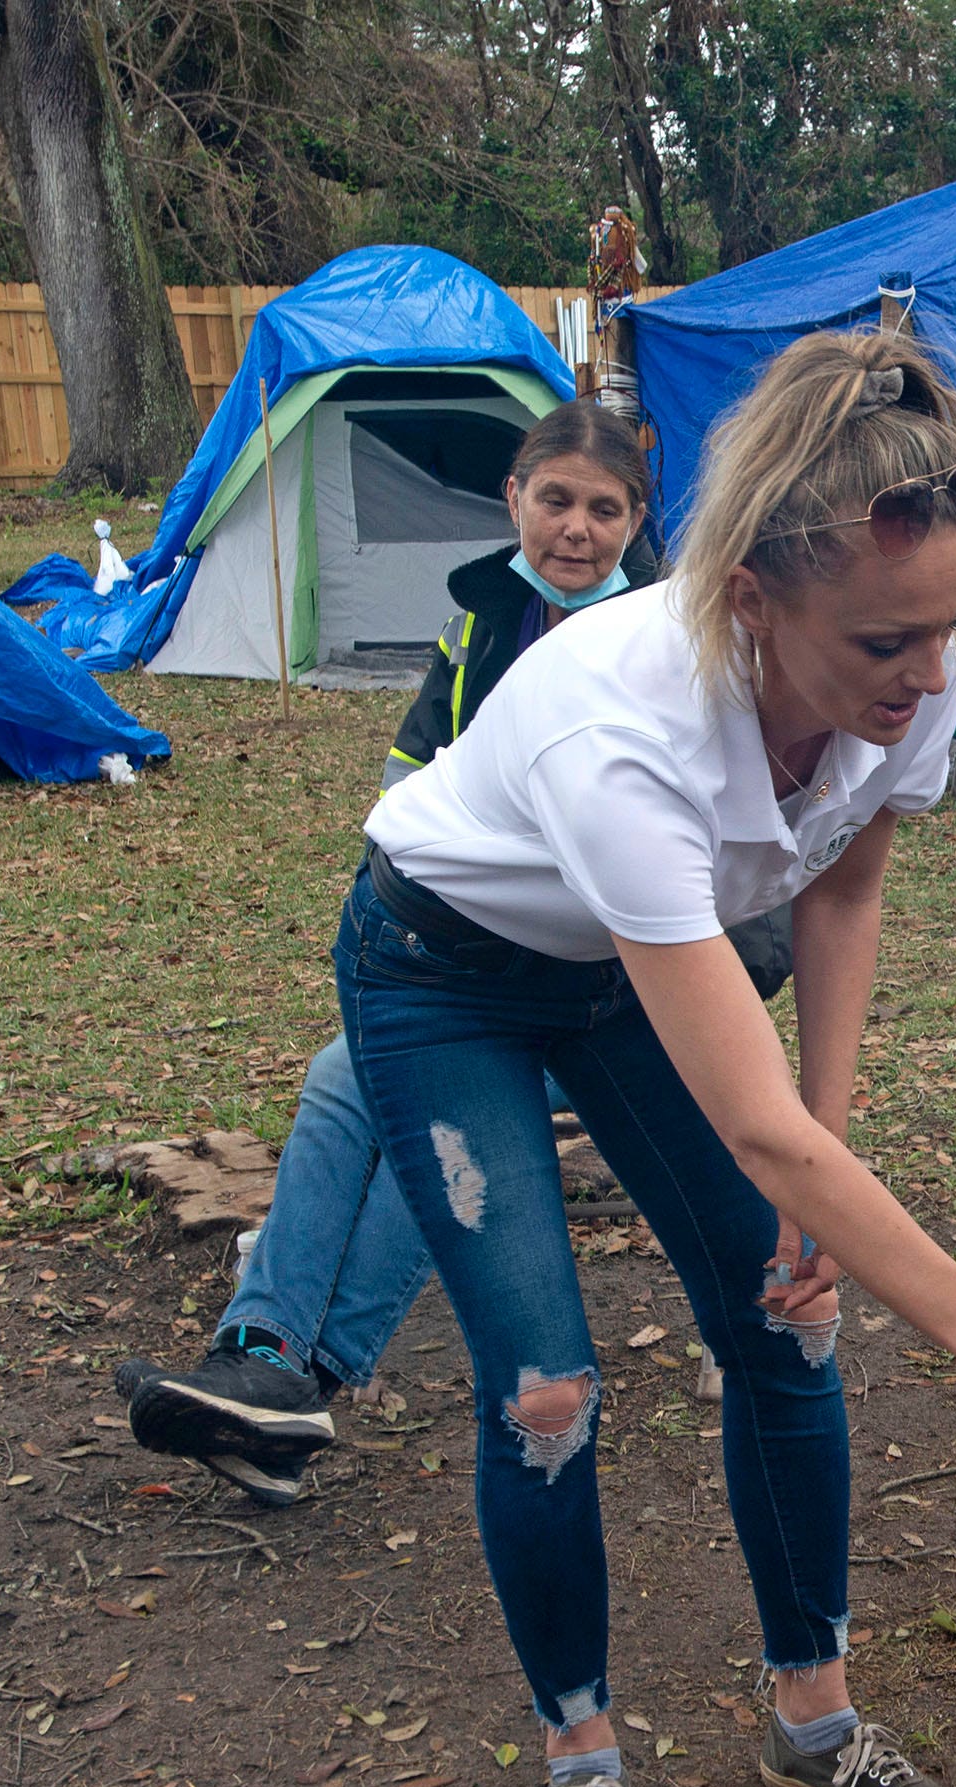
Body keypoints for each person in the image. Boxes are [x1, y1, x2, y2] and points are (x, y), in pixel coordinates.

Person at [338, 328, 956, 1787]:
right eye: (886, 639)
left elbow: (847, 877)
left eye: (947, 630)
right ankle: (579, 1748)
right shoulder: (625, 733)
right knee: (546, 1386)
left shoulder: (908, 678)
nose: (927, 676)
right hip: (445, 976)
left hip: (627, 973)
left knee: (789, 1317)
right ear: (751, 595)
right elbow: (747, 1122)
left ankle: (813, 1718)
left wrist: (832, 1126)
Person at [115, 404, 794, 1505]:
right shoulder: (482, 618)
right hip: (467, 951)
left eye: (604, 509)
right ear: (512, 499)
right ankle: (278, 1373)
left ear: (637, 523)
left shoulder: (677, 641)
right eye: (556, 500)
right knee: (359, 1081)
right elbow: (415, 787)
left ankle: (286, 1371)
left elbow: (756, 876)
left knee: (383, 1092)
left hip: (621, 988)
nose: (575, 529)